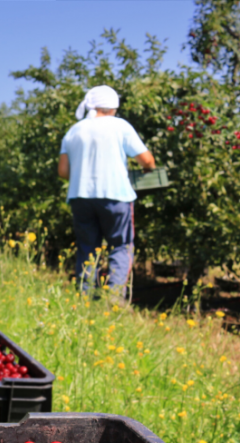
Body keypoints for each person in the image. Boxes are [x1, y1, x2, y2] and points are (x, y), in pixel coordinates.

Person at [58, 85, 155, 298]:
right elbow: (147, 160)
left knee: (87, 247)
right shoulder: (120, 126)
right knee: (120, 246)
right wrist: (148, 169)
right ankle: (113, 299)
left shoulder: (74, 130)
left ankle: (85, 297)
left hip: (80, 196)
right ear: (112, 108)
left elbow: (63, 171)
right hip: (116, 195)